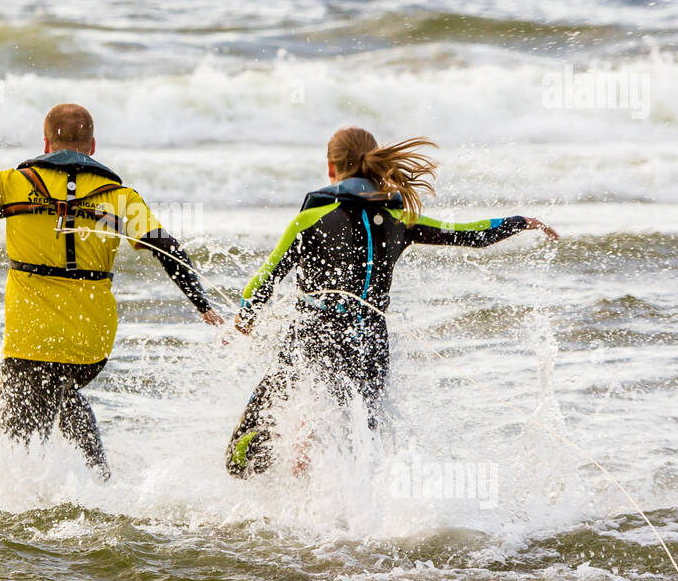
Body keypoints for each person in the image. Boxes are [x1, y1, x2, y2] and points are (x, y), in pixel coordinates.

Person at [225, 126, 558, 478]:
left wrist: (245, 319)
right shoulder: (400, 220)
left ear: (330, 168)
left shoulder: (309, 220)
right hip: (369, 345)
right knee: (358, 445)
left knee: (243, 456)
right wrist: (519, 222)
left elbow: (261, 283)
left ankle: (292, 501)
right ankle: (357, 517)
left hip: (312, 339)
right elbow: (471, 235)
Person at [0, 103, 223, 479]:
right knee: (61, 389)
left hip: (30, 336)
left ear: (46, 143)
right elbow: (168, 248)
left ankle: (54, 493)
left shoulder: (12, 183)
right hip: (92, 339)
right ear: (93, 146)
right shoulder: (119, 197)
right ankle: (95, 475)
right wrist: (202, 305)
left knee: (16, 439)